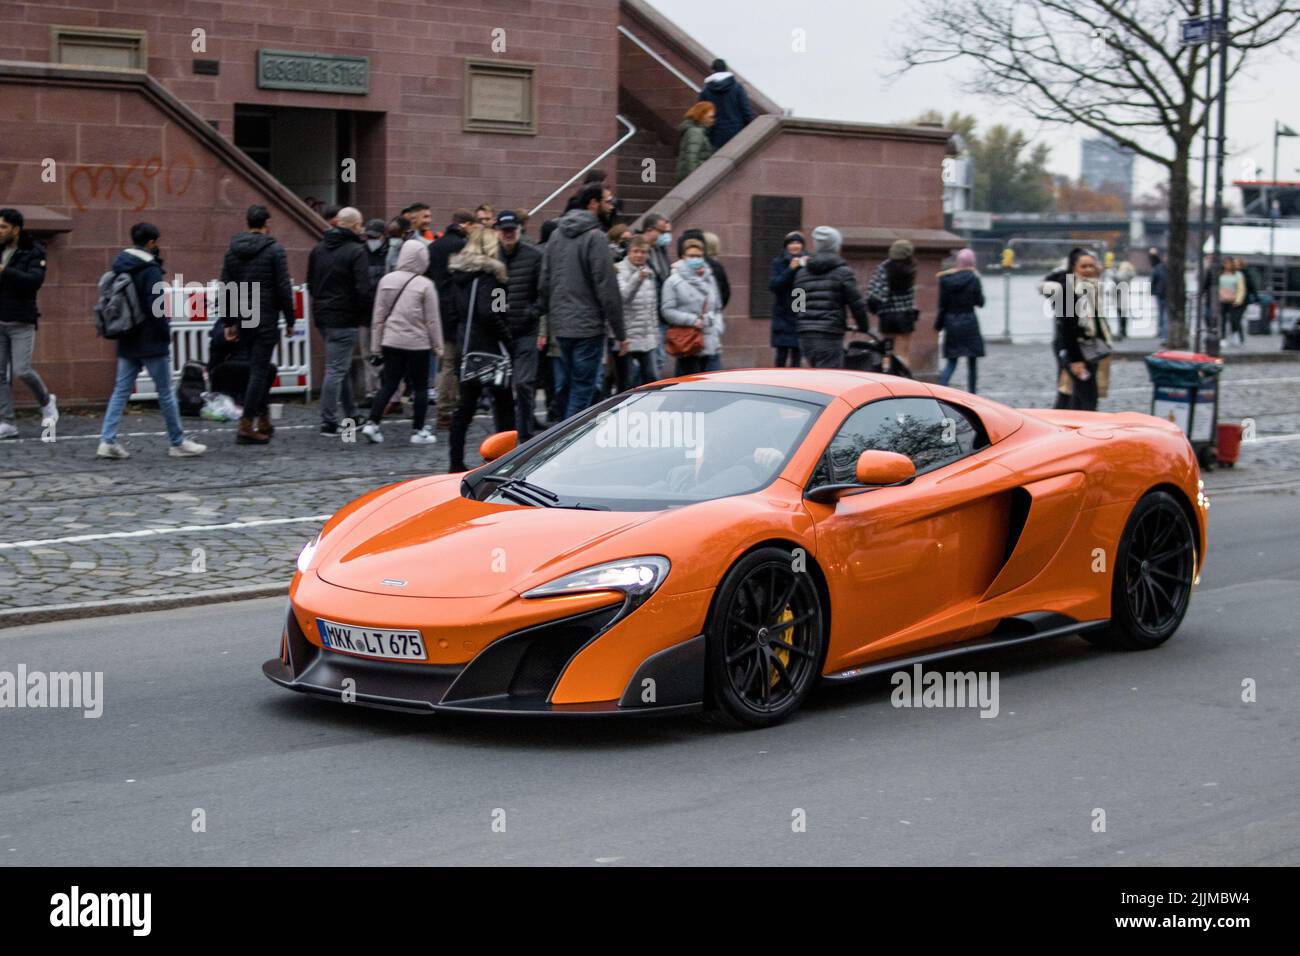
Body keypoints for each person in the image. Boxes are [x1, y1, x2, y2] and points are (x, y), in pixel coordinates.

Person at [96, 223, 207, 459]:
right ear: (151, 243)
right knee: (166, 392)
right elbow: (156, 307)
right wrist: (164, 335)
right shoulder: (150, 268)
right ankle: (177, 442)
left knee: (120, 391)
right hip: (150, 340)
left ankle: (107, 440)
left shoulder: (120, 265)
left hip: (127, 337)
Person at [538, 182, 627, 418]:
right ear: (593, 204)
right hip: (587, 326)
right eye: (607, 201)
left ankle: (558, 435)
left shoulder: (556, 234)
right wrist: (621, 333)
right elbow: (607, 288)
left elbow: (545, 281)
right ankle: (569, 441)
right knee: (582, 387)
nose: (611, 206)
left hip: (561, 324)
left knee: (567, 384)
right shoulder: (595, 237)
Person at [217, 204, 296, 445]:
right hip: (266, 316)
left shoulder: (232, 251)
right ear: (266, 224)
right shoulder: (274, 250)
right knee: (259, 370)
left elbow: (226, 287)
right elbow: (283, 287)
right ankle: (246, 424)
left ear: (247, 223)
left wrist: (229, 321)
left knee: (256, 369)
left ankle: (263, 420)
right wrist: (290, 319)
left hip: (244, 315)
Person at [447, 226, 515, 472]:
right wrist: (509, 340)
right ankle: (508, 460)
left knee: (465, 407)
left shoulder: (458, 278)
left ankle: (455, 461)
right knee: (505, 405)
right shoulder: (492, 277)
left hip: (466, 348)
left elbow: (453, 313)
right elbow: (494, 313)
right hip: (491, 350)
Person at [362, 239, 443, 445]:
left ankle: (372, 423)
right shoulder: (425, 284)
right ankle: (418, 431)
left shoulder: (386, 280)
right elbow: (432, 320)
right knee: (420, 387)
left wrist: (375, 346)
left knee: (389, 384)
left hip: (391, 341)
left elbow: (378, 317)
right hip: (418, 343)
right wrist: (438, 346)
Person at [307, 206, 371, 435]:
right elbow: (363, 288)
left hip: (323, 316)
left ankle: (351, 413)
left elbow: (311, 284)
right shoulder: (356, 250)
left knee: (339, 366)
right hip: (345, 317)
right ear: (355, 226)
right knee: (335, 369)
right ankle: (329, 420)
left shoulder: (318, 249)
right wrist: (364, 315)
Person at [0, 208, 57, 440]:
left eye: (3, 227)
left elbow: (34, 281)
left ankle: (46, 400)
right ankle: (7, 421)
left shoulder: (33, 251)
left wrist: (6, 271)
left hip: (21, 320)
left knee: (22, 369)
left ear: (16, 228)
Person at [497, 210, 544, 441]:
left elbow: (544, 293)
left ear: (519, 230)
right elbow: (494, 291)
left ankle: (525, 436)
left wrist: (532, 312)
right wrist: (497, 317)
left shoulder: (534, 256)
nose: (508, 234)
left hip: (525, 330)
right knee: (500, 388)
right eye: (504, 230)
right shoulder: (493, 257)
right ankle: (504, 437)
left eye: (512, 230)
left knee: (524, 384)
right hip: (499, 332)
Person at [792, 225, 867, 368]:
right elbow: (856, 303)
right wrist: (863, 326)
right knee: (829, 378)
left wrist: (804, 324)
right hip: (829, 334)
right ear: (836, 246)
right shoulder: (843, 272)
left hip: (805, 335)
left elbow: (796, 306)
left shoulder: (801, 273)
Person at [428, 210, 474, 429]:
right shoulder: (463, 246)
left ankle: (445, 408)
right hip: (457, 310)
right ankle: (447, 409)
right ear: (465, 225)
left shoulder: (434, 246)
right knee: (453, 364)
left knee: (445, 362)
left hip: (437, 309)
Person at [1055, 251, 1113, 411]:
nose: (1088, 269)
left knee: (1076, 397)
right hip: (1076, 352)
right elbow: (1067, 328)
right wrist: (1075, 360)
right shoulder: (1068, 290)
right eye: (1084, 266)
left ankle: (1068, 429)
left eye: (1091, 266)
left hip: (1090, 351)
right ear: (1074, 268)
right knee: (1088, 398)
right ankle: (1082, 431)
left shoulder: (1091, 288)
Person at [661, 236, 724, 375]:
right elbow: (667, 311)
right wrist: (693, 321)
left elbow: (717, 307)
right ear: (683, 257)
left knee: (714, 385)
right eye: (692, 256)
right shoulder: (673, 281)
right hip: (688, 343)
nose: (696, 259)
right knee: (689, 386)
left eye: (699, 256)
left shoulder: (710, 278)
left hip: (711, 341)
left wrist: (718, 328)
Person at [1043, 247, 1088, 408]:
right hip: (1070, 343)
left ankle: (1065, 413)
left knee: (1067, 385)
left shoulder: (1064, 284)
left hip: (1064, 341)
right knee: (1072, 387)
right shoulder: (1067, 287)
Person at [936, 249, 985, 393]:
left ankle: (940, 390)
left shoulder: (945, 280)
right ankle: (973, 393)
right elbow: (980, 302)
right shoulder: (974, 279)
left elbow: (942, 305)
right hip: (969, 321)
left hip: (951, 322)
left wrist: (938, 324)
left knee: (951, 361)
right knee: (972, 363)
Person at [615, 235, 661, 388]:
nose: (639, 255)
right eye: (636, 251)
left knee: (652, 378)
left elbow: (652, 307)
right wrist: (637, 278)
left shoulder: (648, 272)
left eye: (643, 252)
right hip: (627, 336)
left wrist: (655, 334)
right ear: (628, 252)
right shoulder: (619, 270)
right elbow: (623, 297)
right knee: (627, 382)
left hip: (647, 336)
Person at [867, 239, 918, 369]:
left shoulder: (884, 267)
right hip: (905, 316)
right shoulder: (911, 269)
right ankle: (905, 380)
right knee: (903, 354)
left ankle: (887, 374)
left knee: (886, 352)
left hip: (887, 316)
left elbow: (877, 293)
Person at [698, 58, 756, 150]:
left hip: (715, 134)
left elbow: (701, 114)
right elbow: (746, 111)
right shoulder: (737, 88)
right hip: (736, 132)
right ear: (726, 69)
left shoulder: (706, 91)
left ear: (712, 70)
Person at [769, 231, 805, 367]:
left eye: (798, 242)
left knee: (797, 354)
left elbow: (803, 288)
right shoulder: (779, 262)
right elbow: (774, 285)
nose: (795, 246)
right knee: (781, 355)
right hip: (782, 313)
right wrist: (790, 269)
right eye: (791, 243)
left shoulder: (807, 261)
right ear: (786, 245)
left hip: (798, 311)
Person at [676, 102, 716, 181]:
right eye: (711, 117)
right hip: (692, 178)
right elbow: (691, 157)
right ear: (701, 115)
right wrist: (694, 180)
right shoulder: (695, 132)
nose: (713, 120)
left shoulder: (696, 131)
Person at [1219, 257, 1246, 345]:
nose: (1227, 265)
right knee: (1222, 320)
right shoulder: (1220, 274)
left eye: (1229, 263)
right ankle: (1222, 337)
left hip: (1233, 300)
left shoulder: (1238, 275)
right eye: (1225, 263)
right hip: (1222, 299)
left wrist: (1238, 300)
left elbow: (1241, 289)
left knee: (1234, 319)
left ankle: (1235, 334)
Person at [1148, 247, 1168, 342]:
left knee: (1164, 316)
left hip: (1166, 295)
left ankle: (1164, 334)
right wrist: (1153, 291)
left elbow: (1153, 280)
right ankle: (1162, 333)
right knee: (1162, 315)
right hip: (1161, 294)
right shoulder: (1159, 268)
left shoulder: (1160, 268)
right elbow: (1154, 280)